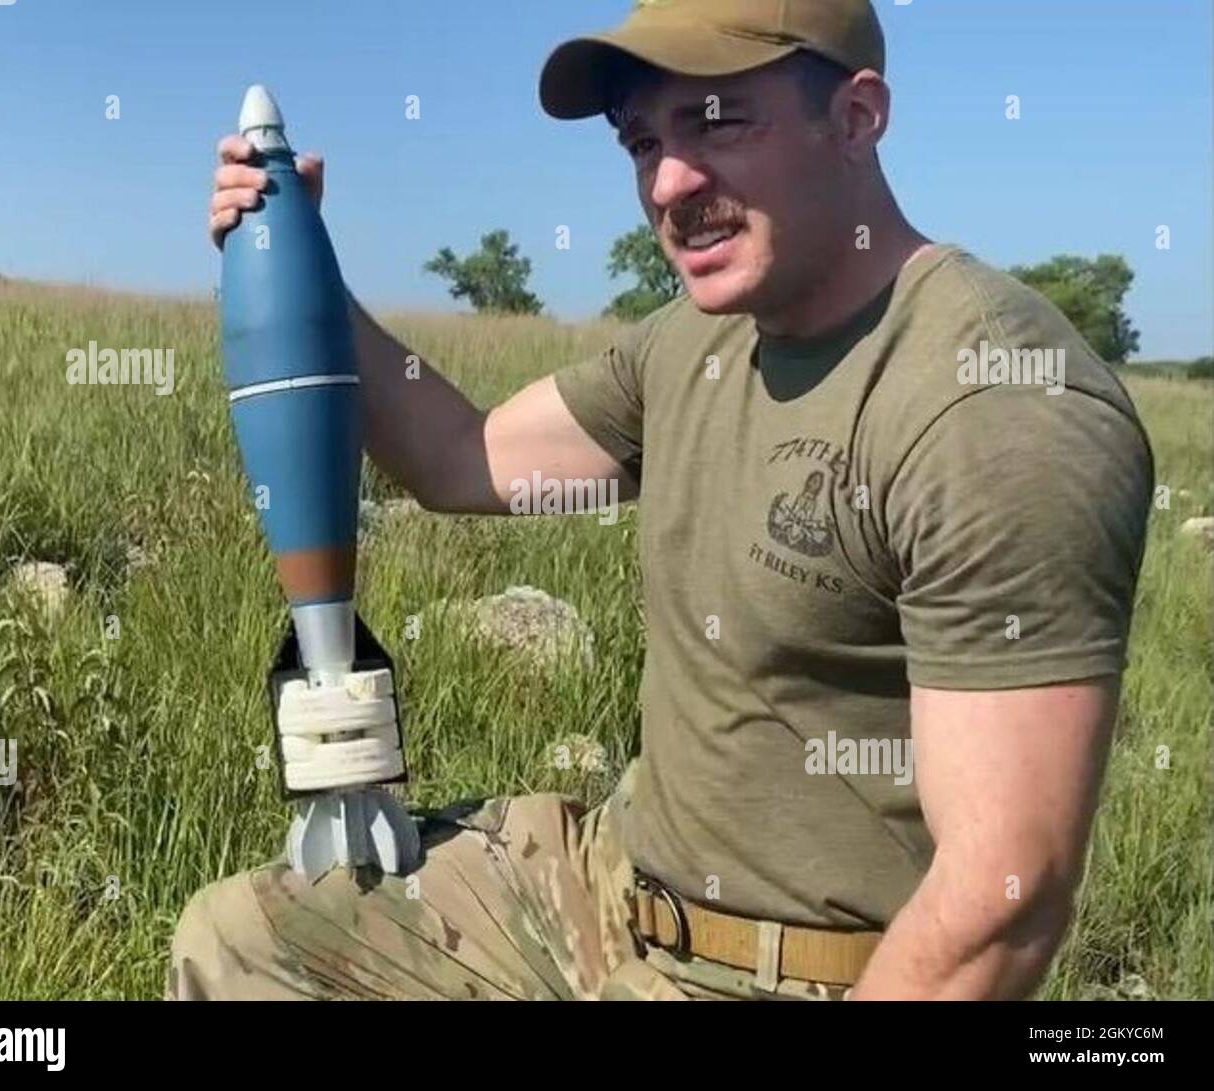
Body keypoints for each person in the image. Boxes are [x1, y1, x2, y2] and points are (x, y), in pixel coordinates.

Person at [171, 0, 1153, 1000]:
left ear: (856, 118)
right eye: (643, 140)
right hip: (601, 889)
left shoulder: (991, 405)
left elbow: (1002, 898)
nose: (669, 184)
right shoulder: (696, 339)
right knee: (242, 940)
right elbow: (459, 456)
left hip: (791, 971)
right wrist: (298, 267)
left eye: (719, 122)